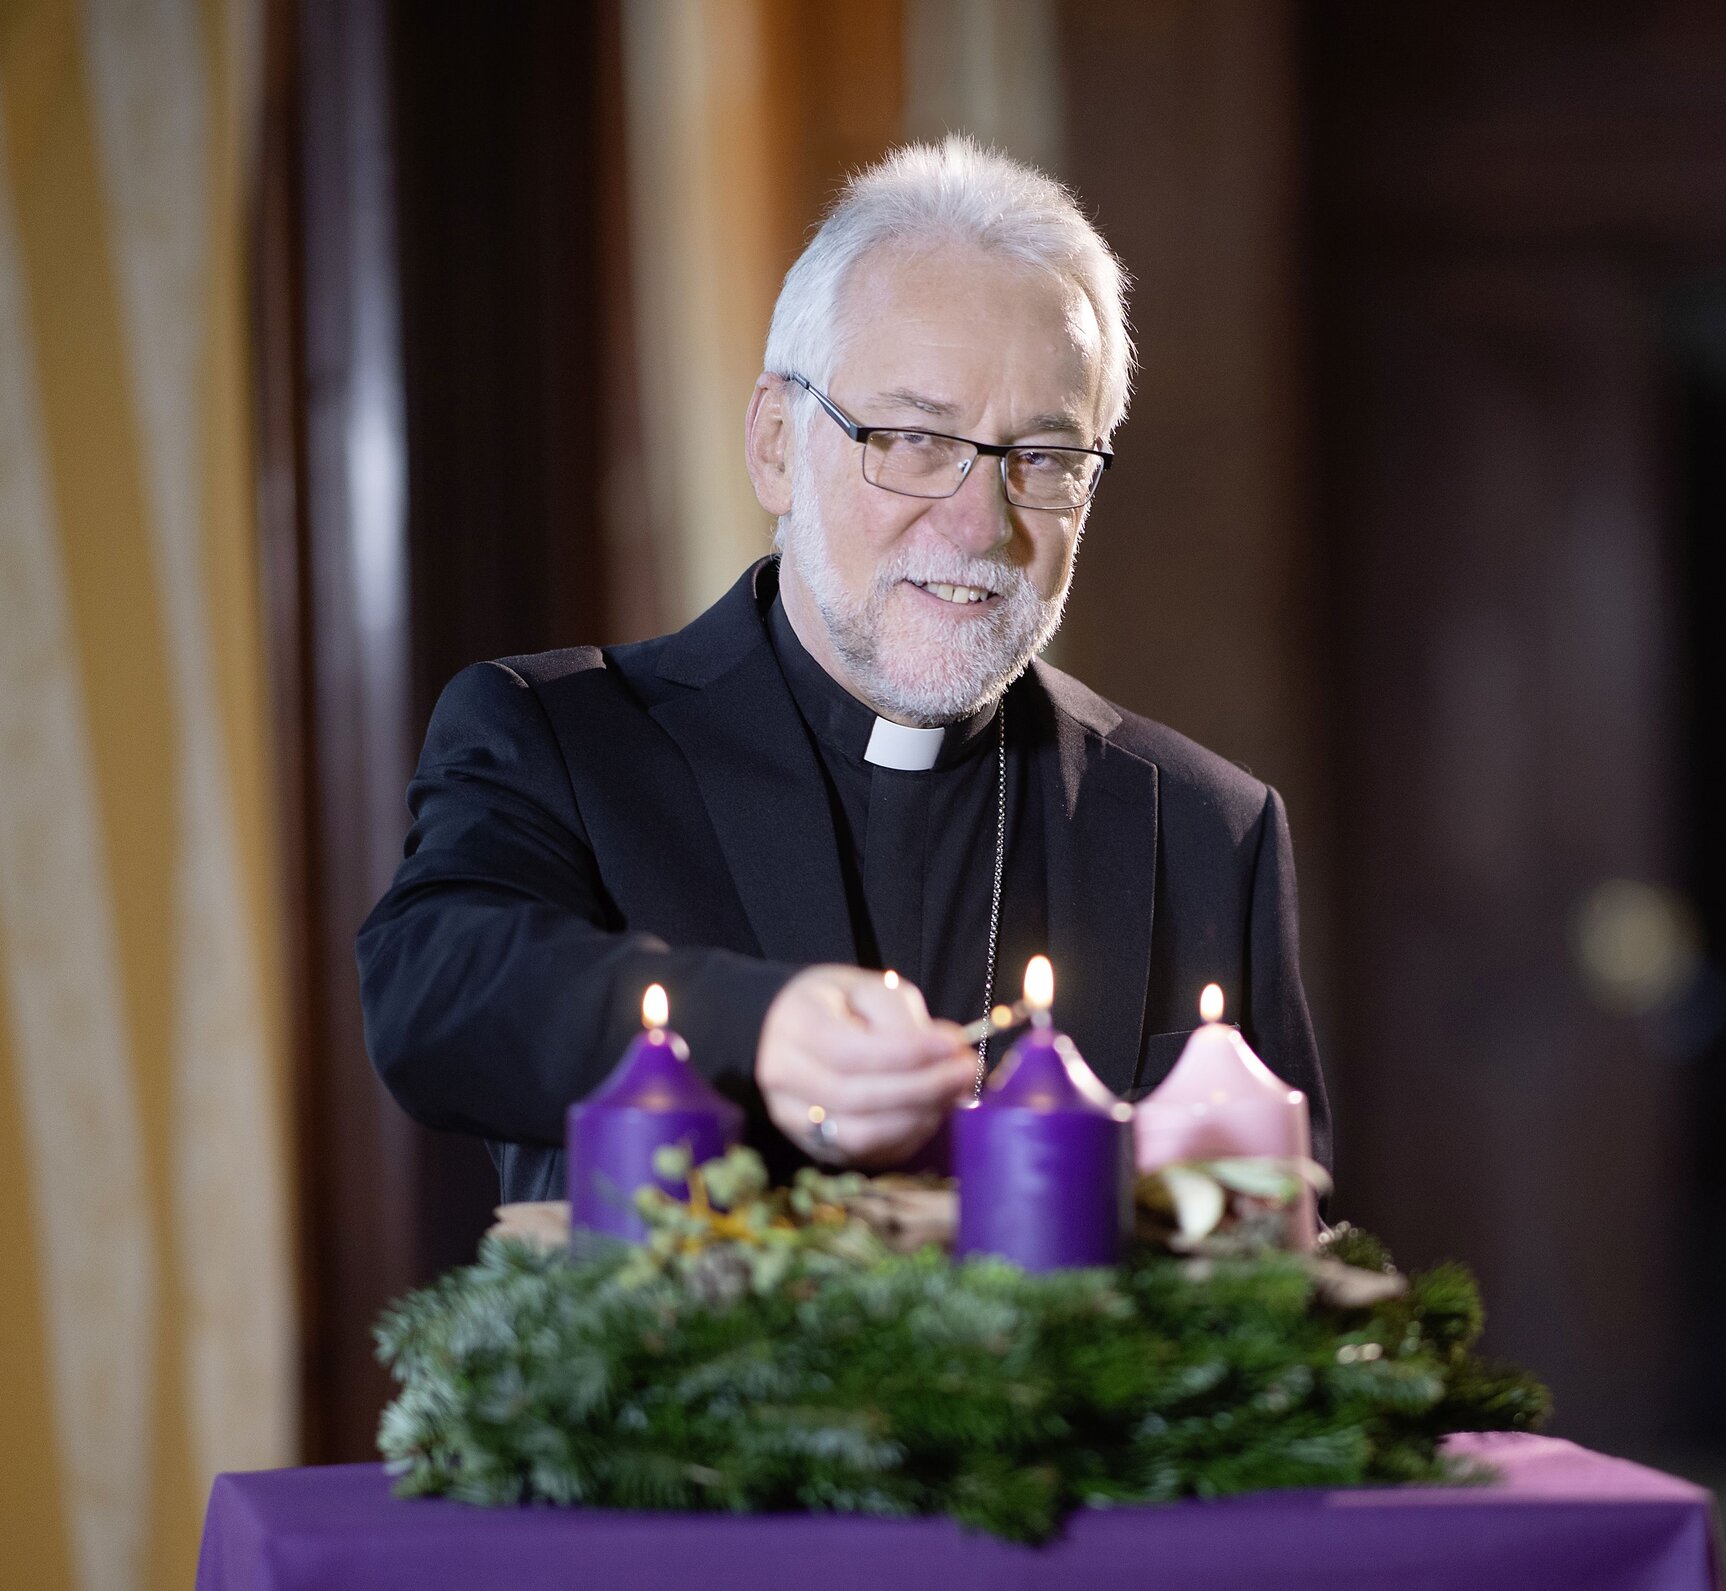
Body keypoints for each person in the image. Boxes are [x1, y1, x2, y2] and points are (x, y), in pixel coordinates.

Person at [359, 137, 1329, 1202]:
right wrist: (756, 1029)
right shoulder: (561, 742)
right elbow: (430, 993)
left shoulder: (1200, 829)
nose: (978, 522)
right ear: (776, 442)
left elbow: (1280, 1272)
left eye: (1042, 459)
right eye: (914, 437)